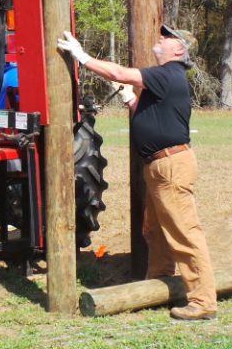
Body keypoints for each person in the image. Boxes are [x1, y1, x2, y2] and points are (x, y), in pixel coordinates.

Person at [57, 25, 218, 321]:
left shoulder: (168, 73)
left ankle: (203, 301)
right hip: (159, 166)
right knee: (155, 231)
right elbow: (150, 115)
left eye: (168, 38)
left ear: (179, 50)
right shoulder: (164, 79)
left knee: (185, 233)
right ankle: (158, 285)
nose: (161, 38)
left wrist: (83, 57)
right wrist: (130, 100)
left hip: (170, 166)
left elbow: (118, 72)